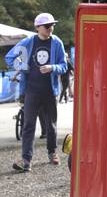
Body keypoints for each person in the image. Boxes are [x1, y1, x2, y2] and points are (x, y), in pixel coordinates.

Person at [7, 13, 68, 172]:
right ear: (37, 28)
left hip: (50, 91)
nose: (51, 28)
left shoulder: (57, 42)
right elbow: (10, 57)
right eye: (47, 26)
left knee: (51, 125)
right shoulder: (28, 42)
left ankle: (52, 152)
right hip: (31, 91)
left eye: (53, 25)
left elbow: (64, 65)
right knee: (28, 125)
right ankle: (26, 160)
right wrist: (22, 67)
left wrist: (52, 68)